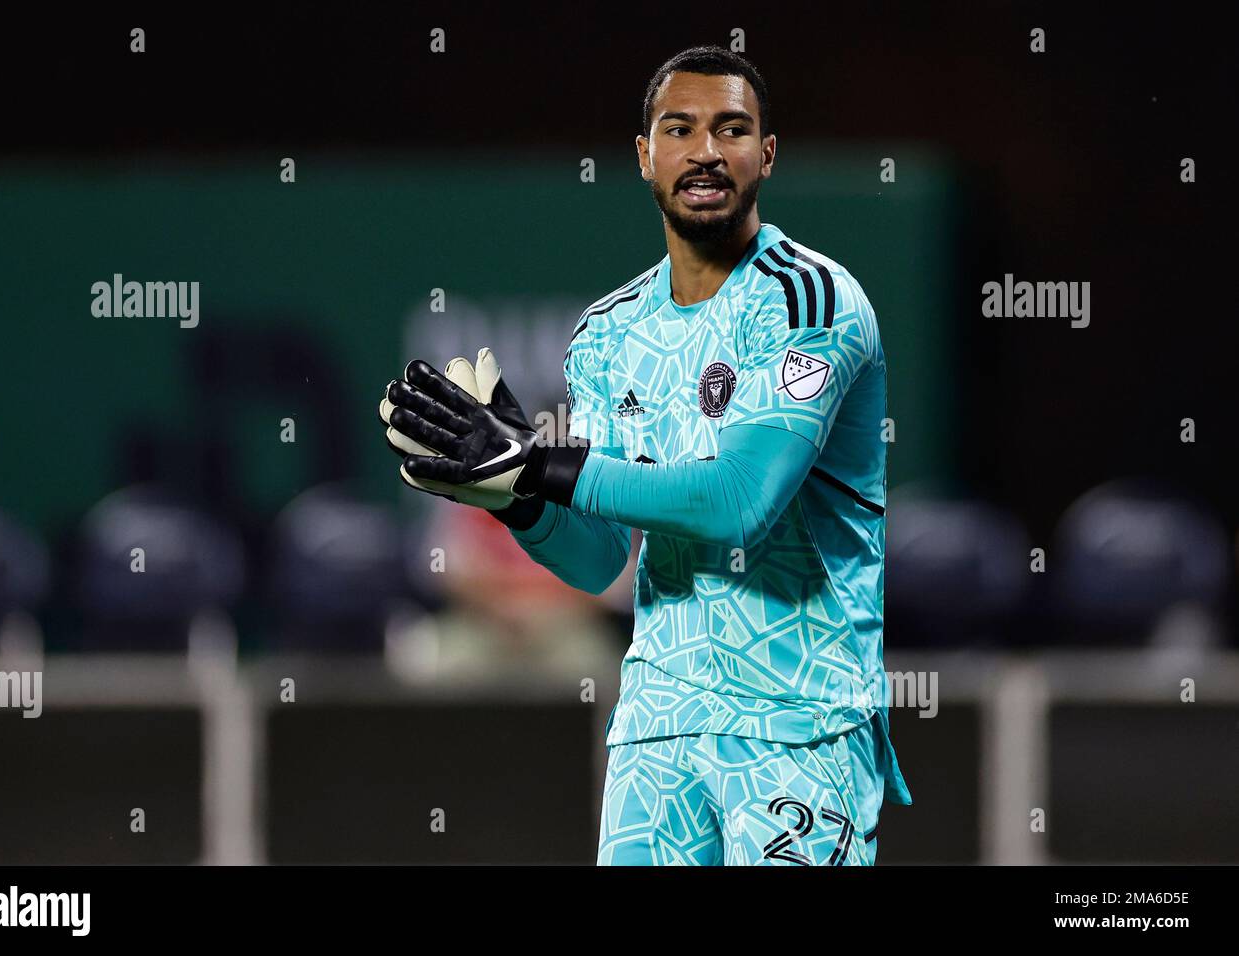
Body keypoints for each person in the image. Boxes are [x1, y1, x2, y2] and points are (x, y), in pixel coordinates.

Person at [382, 45, 911, 865]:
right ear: (644, 156)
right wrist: (518, 501)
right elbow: (598, 561)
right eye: (680, 128)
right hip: (657, 730)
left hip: (798, 726)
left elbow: (740, 502)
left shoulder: (813, 299)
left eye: (732, 129)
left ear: (766, 154)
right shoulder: (608, 330)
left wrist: (539, 466)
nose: (705, 150)